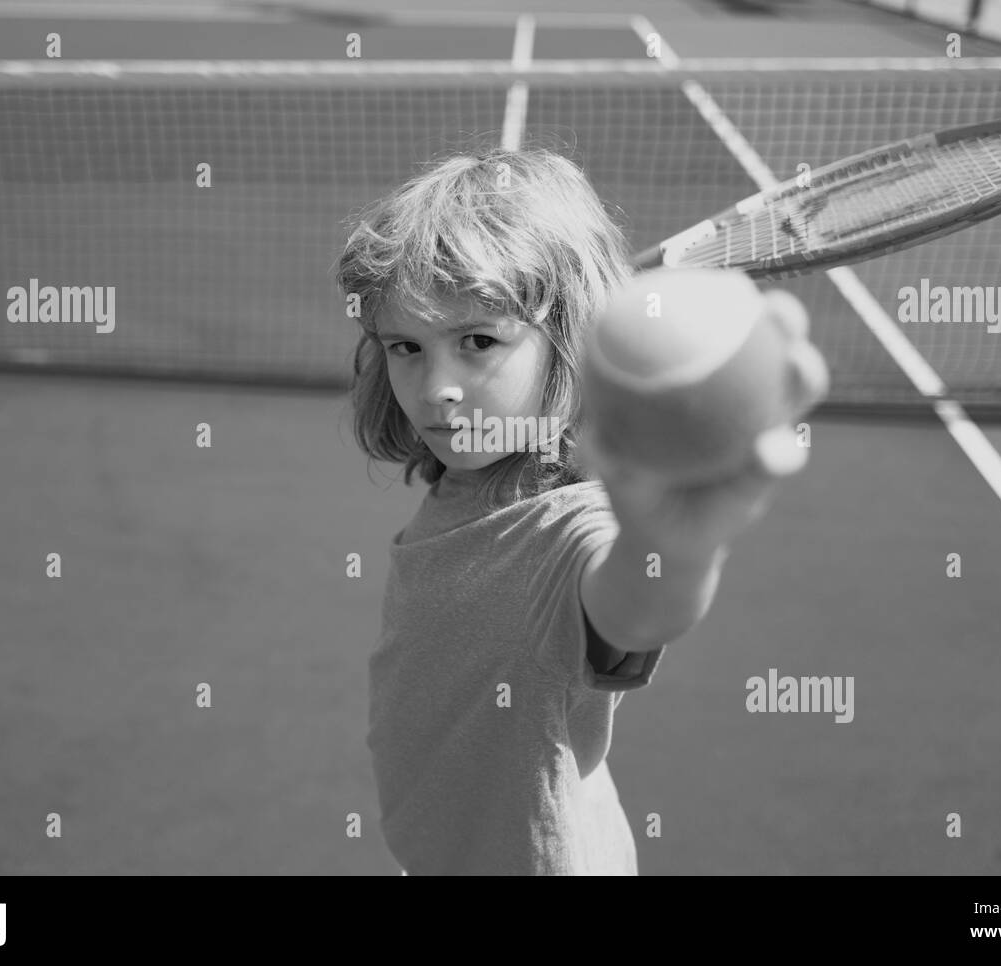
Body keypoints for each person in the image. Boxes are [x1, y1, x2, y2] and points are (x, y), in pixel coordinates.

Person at [334, 142, 827, 874]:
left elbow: (633, 607)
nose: (436, 385)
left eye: (478, 341)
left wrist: (671, 546)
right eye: (406, 345)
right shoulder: (468, 477)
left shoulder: (562, 526)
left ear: (567, 341)